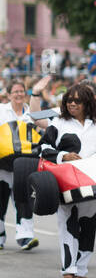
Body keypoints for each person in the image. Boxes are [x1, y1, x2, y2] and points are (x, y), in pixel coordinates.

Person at [40, 82, 96, 278]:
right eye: (69, 100)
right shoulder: (59, 122)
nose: (72, 104)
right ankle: (68, 271)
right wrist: (63, 156)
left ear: (87, 103)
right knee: (67, 224)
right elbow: (43, 147)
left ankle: (81, 270)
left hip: (93, 182)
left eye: (77, 101)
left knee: (89, 226)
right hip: (66, 181)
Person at [0, 79, 39, 251]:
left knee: (24, 198)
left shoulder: (31, 113)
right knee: (0, 199)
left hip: (24, 163)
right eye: (15, 91)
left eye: (21, 91)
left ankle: (25, 236)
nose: (18, 94)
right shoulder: (1, 111)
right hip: (2, 163)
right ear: (8, 95)